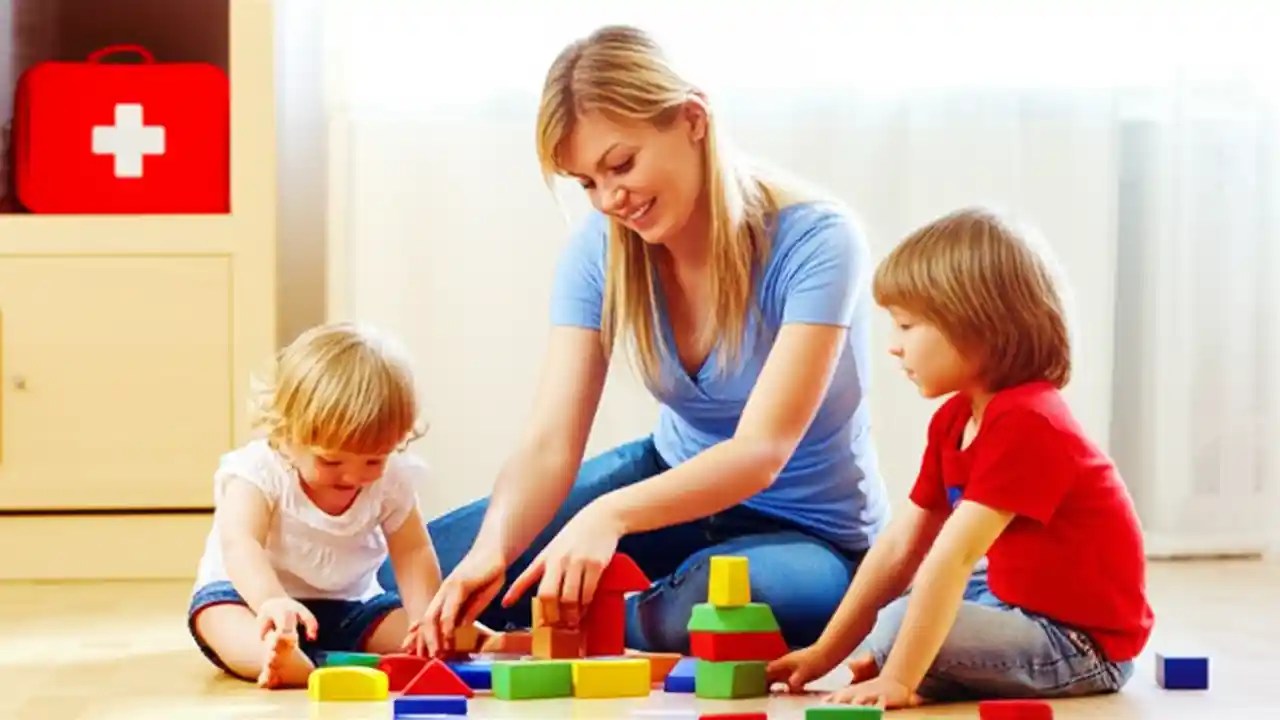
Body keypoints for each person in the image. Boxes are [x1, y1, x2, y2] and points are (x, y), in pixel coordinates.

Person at [378, 23, 890, 657]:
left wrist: (608, 516)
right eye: (587, 182)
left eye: (620, 164)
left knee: (709, 611)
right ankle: (555, 618)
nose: (609, 199)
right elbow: (548, 443)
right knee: (418, 574)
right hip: (666, 479)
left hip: (812, 532)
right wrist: (495, 549)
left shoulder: (819, 242)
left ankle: (544, 633)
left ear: (692, 120)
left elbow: (762, 451)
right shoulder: (597, 251)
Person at [767, 208, 1155, 708]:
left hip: (1081, 643)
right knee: (909, 609)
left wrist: (899, 679)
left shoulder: (1030, 421)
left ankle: (910, 668)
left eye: (907, 326)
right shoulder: (954, 420)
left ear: (979, 327)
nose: (894, 347)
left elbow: (953, 555)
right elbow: (902, 545)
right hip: (1015, 599)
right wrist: (824, 652)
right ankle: (916, 663)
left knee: (901, 622)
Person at [188, 322, 477, 688]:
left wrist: (424, 619)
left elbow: (413, 552)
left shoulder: (394, 480)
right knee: (222, 620)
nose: (353, 477)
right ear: (286, 432)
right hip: (249, 599)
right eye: (331, 461)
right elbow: (240, 543)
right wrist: (271, 601)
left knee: (419, 628)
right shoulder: (258, 472)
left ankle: (479, 640)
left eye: (374, 460)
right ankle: (279, 658)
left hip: (349, 607)